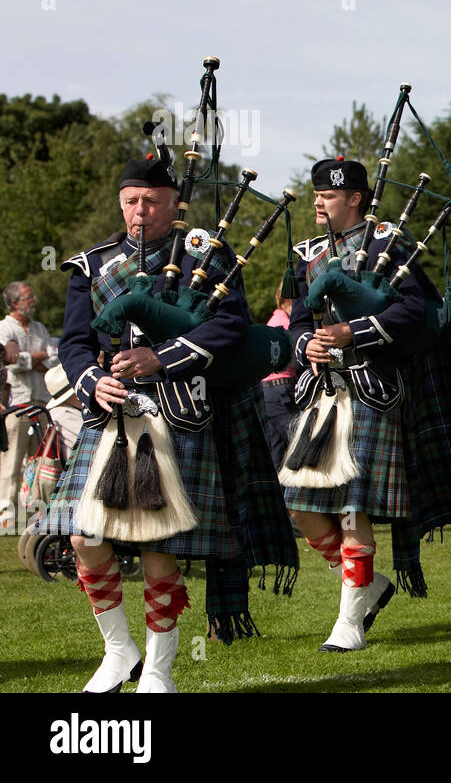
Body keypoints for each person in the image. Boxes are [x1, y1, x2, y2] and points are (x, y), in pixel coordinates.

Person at [40, 147, 298, 692]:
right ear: (120, 203)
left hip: (181, 414)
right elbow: (76, 342)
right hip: (109, 415)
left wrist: (162, 357)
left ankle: (158, 672)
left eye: (152, 201)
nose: (140, 211)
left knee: (161, 550)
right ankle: (118, 651)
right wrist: (92, 381)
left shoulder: (210, 253)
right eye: (131, 201)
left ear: (174, 204)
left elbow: (229, 329)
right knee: (86, 539)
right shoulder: (92, 264)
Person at [284, 158, 451, 652]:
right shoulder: (306, 254)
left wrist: (352, 330)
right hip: (322, 391)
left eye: (329, 196)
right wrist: (306, 346)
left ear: (356, 198)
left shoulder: (389, 242)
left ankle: (347, 622)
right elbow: (296, 318)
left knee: (351, 506)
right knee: (300, 506)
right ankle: (368, 584)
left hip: (371, 387)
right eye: (316, 194)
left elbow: (417, 311)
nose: (318, 203)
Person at [0, 281, 55, 531]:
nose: (33, 300)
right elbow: (12, 361)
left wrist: (32, 359)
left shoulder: (40, 327)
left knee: (41, 461)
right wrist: (40, 356)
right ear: (14, 303)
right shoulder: (4, 328)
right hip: (16, 403)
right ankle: (6, 516)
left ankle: (38, 515)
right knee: (12, 461)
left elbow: (53, 359)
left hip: (41, 403)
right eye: (28, 297)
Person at [260, 279, 297, 468]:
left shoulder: (273, 320)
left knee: (277, 450)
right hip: (282, 389)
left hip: (268, 390)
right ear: (288, 300)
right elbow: (295, 360)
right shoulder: (285, 324)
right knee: (297, 442)